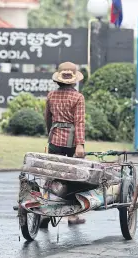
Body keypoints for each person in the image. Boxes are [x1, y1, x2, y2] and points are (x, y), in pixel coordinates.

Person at [45, 61, 86, 224]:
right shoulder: (78, 97)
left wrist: (50, 133)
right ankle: (72, 215)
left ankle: (47, 209)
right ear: (74, 80)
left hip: (54, 140)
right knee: (73, 176)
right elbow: (79, 122)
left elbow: (47, 118)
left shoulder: (51, 95)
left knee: (53, 173)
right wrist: (80, 144)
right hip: (71, 143)